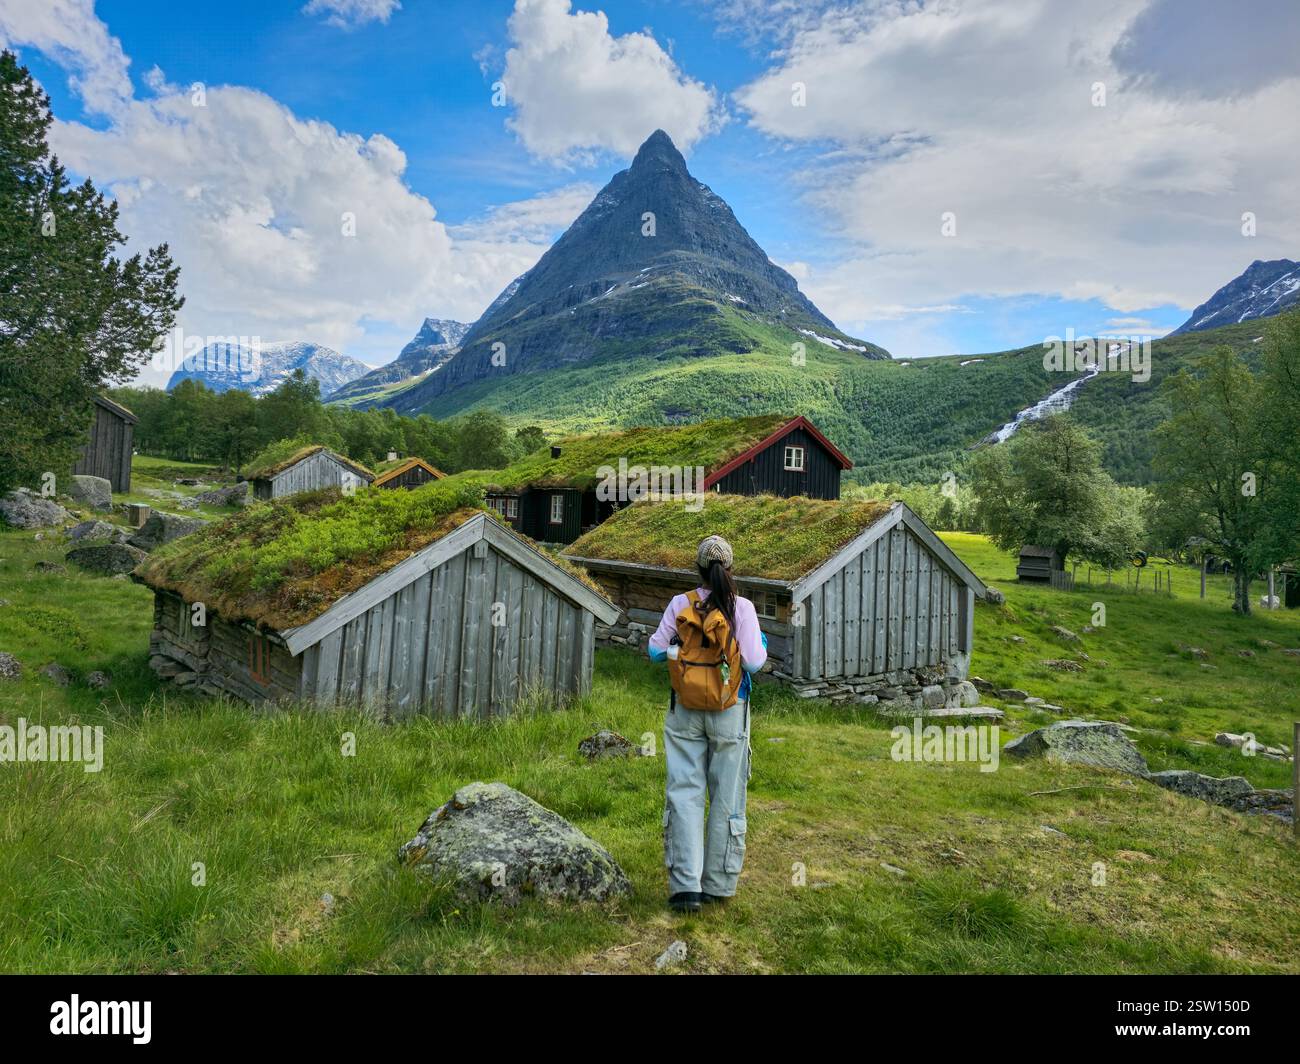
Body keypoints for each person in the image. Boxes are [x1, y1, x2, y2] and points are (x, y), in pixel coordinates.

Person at [647, 535, 767, 913]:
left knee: (685, 791)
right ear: (729, 568)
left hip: (684, 707)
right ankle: (717, 884)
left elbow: (653, 649)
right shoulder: (741, 607)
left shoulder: (681, 603)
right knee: (726, 795)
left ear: (697, 568)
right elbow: (752, 662)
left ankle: (685, 888)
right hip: (730, 708)